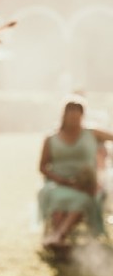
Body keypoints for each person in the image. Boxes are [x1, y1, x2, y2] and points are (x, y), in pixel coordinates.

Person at [39, 99, 113, 249]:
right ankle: (59, 238)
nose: (74, 119)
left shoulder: (92, 133)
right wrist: (63, 180)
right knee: (58, 199)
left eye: (77, 116)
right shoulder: (51, 138)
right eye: (71, 116)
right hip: (58, 183)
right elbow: (42, 167)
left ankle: (58, 236)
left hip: (86, 184)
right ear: (64, 116)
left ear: (82, 116)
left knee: (84, 198)